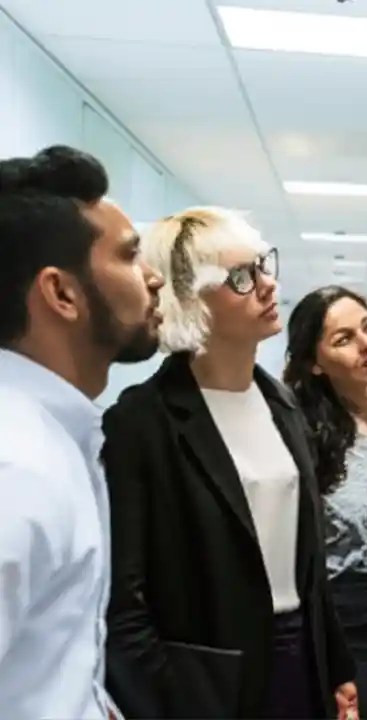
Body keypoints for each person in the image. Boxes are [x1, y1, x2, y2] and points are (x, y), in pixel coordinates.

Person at [100, 207, 358, 719]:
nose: (267, 285)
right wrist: (169, 703)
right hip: (208, 680)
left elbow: (309, 565)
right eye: (241, 277)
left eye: (263, 265)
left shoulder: (283, 406)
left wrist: (337, 668)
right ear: (188, 299)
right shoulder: (142, 422)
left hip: (300, 659)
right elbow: (124, 604)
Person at [0, 145, 165, 719]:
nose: (153, 277)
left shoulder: (56, 439)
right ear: (62, 294)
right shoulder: (16, 467)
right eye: (129, 255)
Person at [283, 285, 367, 718]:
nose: (366, 343)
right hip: (346, 636)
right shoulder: (303, 441)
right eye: (344, 339)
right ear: (315, 363)